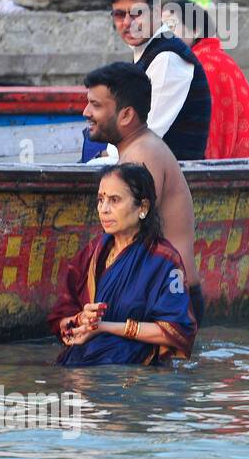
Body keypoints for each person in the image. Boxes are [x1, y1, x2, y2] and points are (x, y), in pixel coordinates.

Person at [82, 63, 204, 326]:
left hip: (167, 301)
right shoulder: (138, 149)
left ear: (126, 115)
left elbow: (131, 239)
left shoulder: (141, 156)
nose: (86, 112)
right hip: (161, 295)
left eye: (96, 105)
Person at [49, 164, 196, 366]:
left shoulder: (164, 260)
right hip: (84, 360)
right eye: (100, 200)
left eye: (114, 200)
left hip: (136, 372)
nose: (104, 209)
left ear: (143, 207)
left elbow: (177, 331)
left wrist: (105, 327)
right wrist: (83, 319)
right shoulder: (93, 253)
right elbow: (61, 320)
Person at [105, 0, 211, 161]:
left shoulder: (168, 58)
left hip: (172, 177)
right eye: (120, 14)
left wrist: (105, 155)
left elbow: (144, 134)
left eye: (137, 13)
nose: (127, 23)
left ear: (157, 12)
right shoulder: (147, 51)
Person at [169, 1, 249, 159]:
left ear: (196, 30)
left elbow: (208, 128)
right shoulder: (216, 56)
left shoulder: (198, 65)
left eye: (170, 27)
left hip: (239, 159)